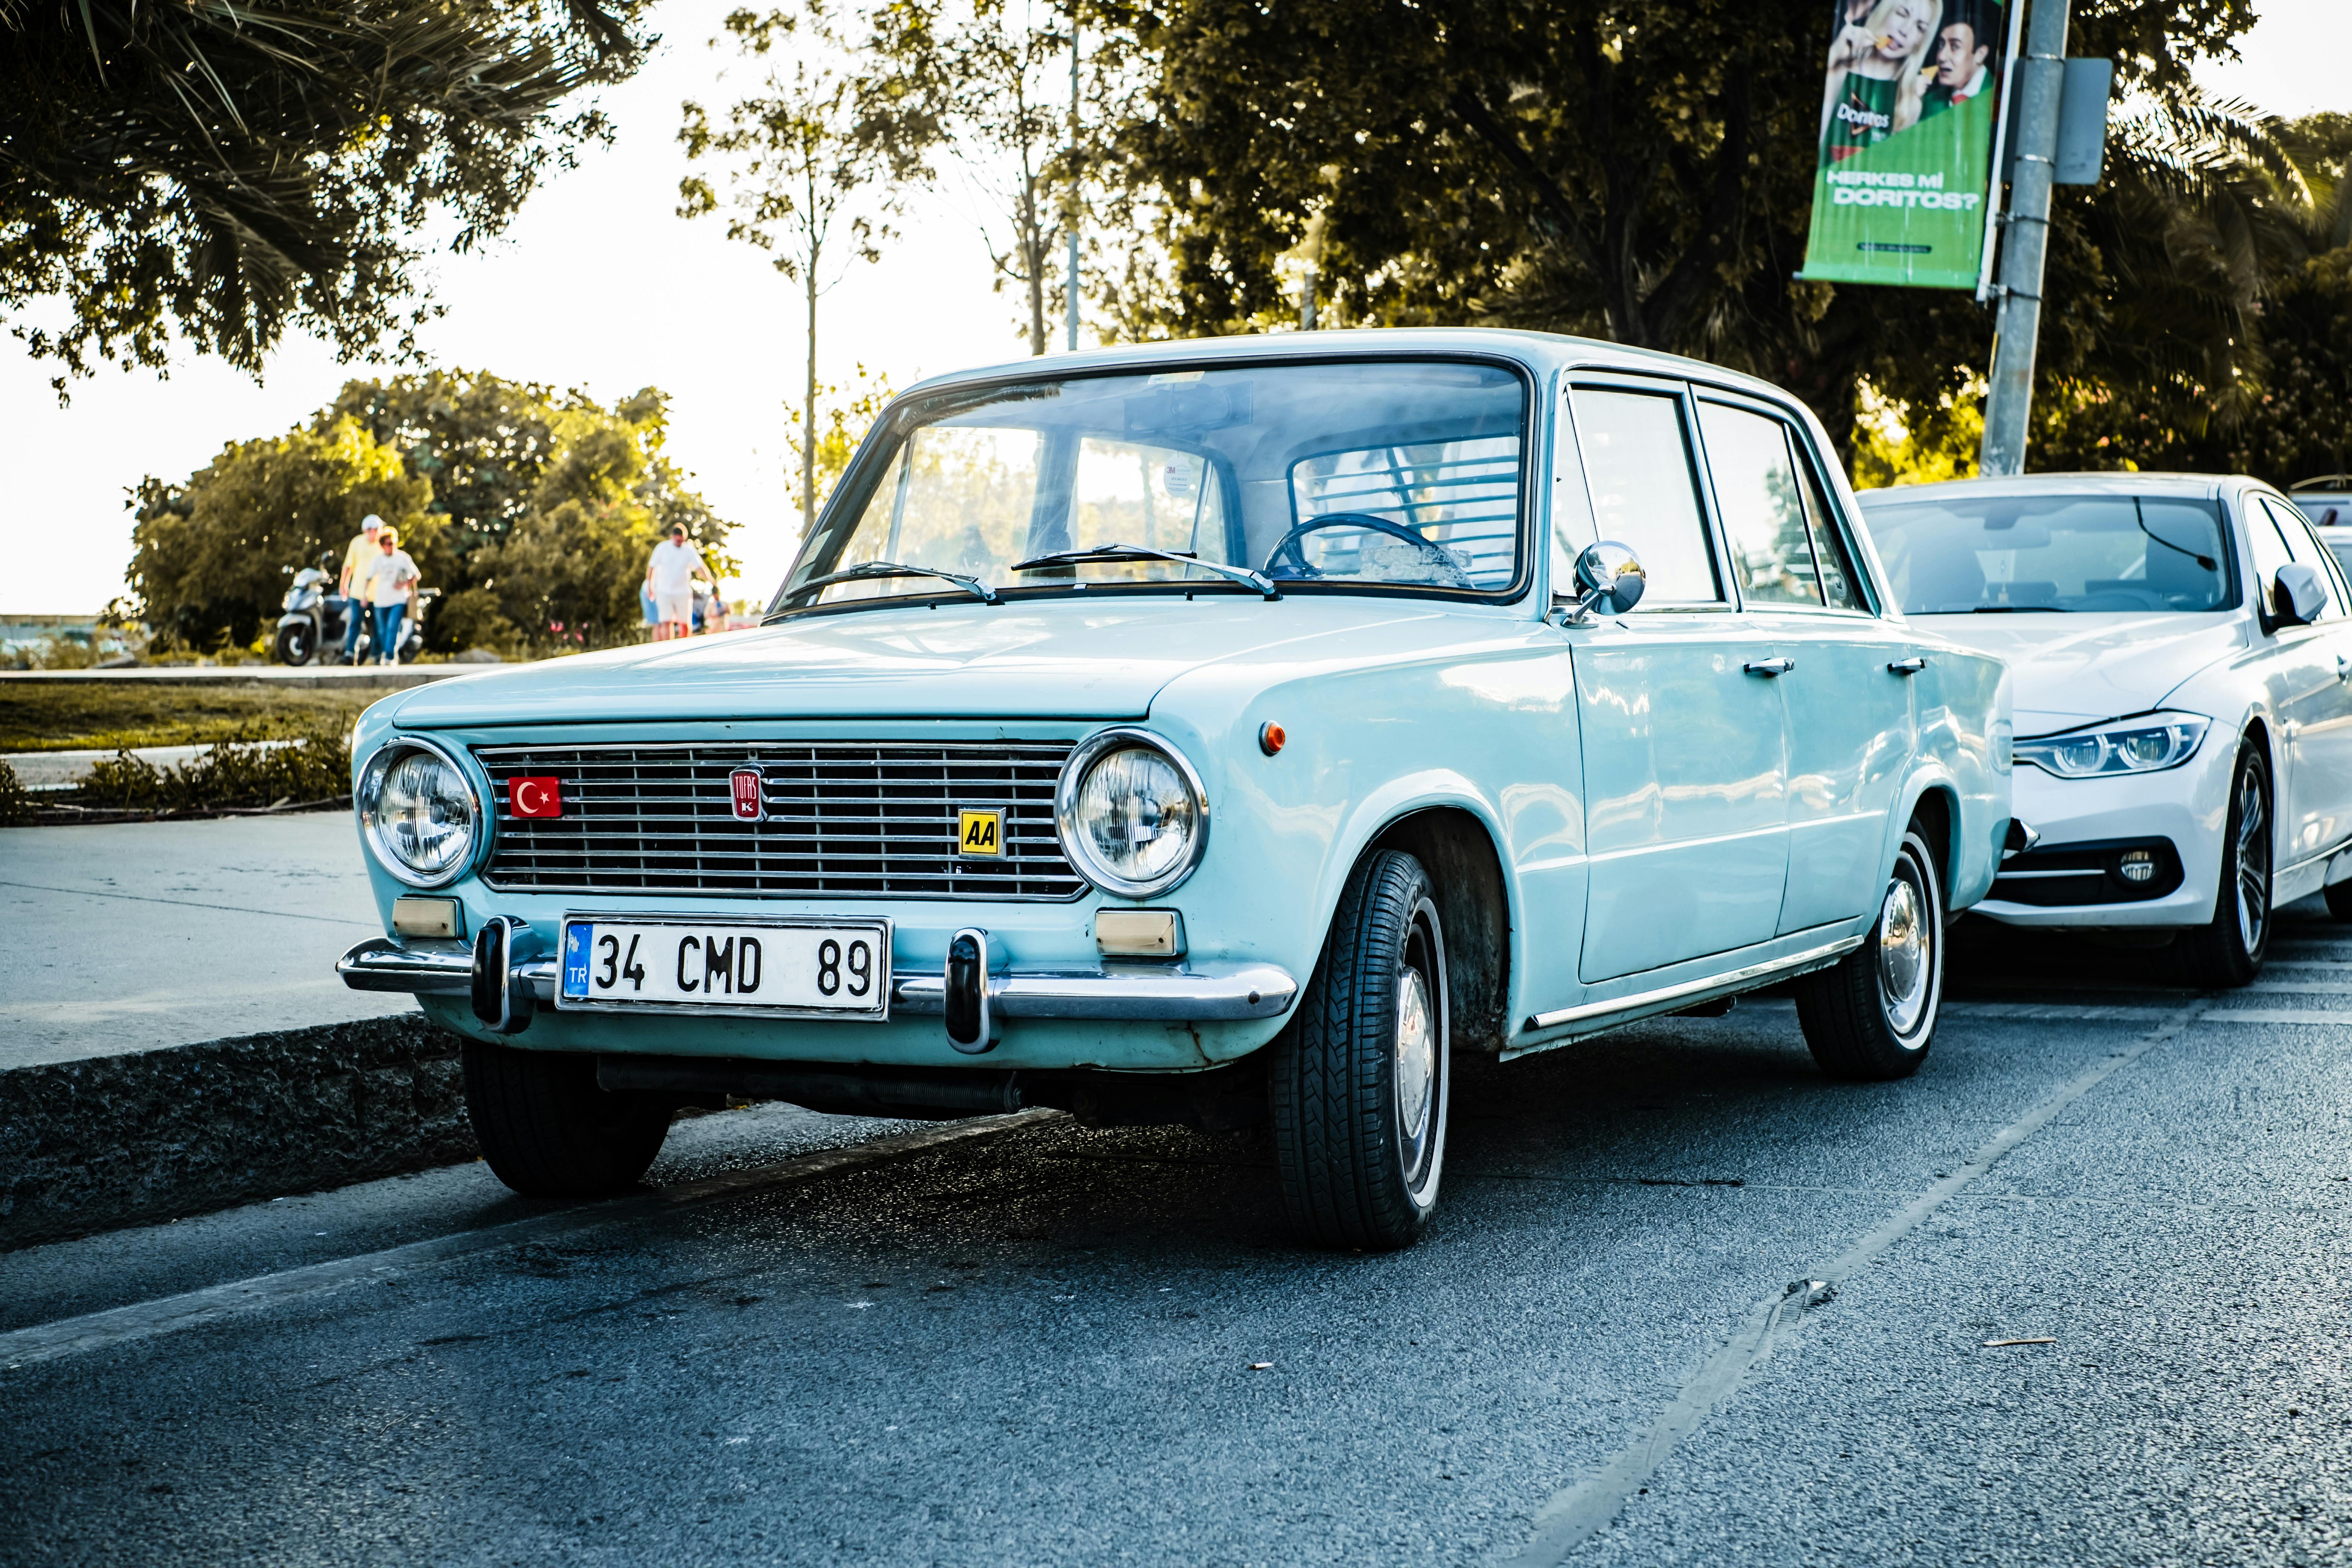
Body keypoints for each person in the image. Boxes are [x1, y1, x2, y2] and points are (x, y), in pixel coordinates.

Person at [1820, 0, 1944, 161]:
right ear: (1885, 11)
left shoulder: (1909, 104)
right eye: (1902, 14)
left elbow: (1891, 164)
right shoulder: (1840, 67)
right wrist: (1835, 54)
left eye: (1920, 28)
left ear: (1922, 41)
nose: (1905, 31)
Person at [355, 525, 420, 665]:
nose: (392, 546)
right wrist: (365, 596)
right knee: (382, 630)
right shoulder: (378, 560)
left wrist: (403, 585)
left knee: (393, 627)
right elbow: (369, 578)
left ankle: (390, 657)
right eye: (389, 544)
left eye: (394, 543)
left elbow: (416, 575)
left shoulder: (403, 558)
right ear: (383, 545)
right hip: (381, 600)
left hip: (398, 599)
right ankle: (383, 654)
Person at [1920, 2, 1996, 119]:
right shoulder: (1929, 103)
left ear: (1980, 55)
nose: (1942, 56)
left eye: (1955, 47)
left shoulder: (1996, 95)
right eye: (1941, 45)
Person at [645, 524, 713, 641]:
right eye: (678, 540)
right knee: (667, 621)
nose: (680, 543)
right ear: (672, 537)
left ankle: (684, 648)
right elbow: (651, 568)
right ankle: (669, 648)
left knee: (685, 623)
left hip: (683, 592)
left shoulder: (689, 550)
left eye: (682, 541)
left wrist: (711, 580)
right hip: (664, 591)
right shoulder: (662, 548)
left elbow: (700, 567)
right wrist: (650, 587)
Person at [334, 514, 384, 664]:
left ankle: (377, 655)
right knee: (356, 622)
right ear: (365, 530)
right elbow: (348, 566)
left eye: (376, 529)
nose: (373, 532)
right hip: (357, 591)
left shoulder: (383, 543)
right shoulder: (357, 542)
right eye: (370, 529)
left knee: (378, 626)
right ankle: (350, 653)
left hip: (379, 593)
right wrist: (343, 585)